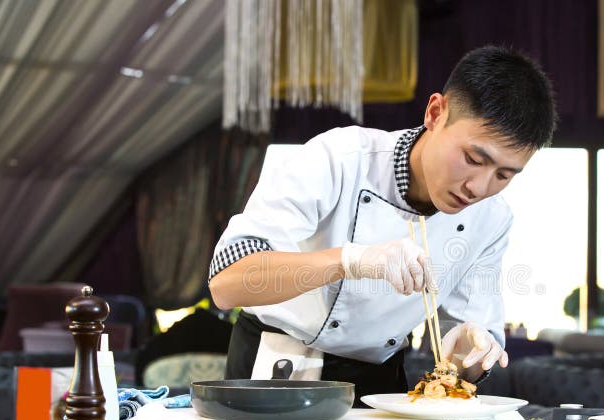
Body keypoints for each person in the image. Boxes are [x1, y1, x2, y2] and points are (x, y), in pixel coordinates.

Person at [208, 45, 557, 401]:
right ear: (435, 113)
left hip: (379, 386)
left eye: (504, 175)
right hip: (274, 367)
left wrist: (471, 352)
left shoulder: (491, 219)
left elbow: (464, 354)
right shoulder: (340, 158)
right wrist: (350, 260)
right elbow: (228, 282)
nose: (478, 188)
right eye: (473, 158)